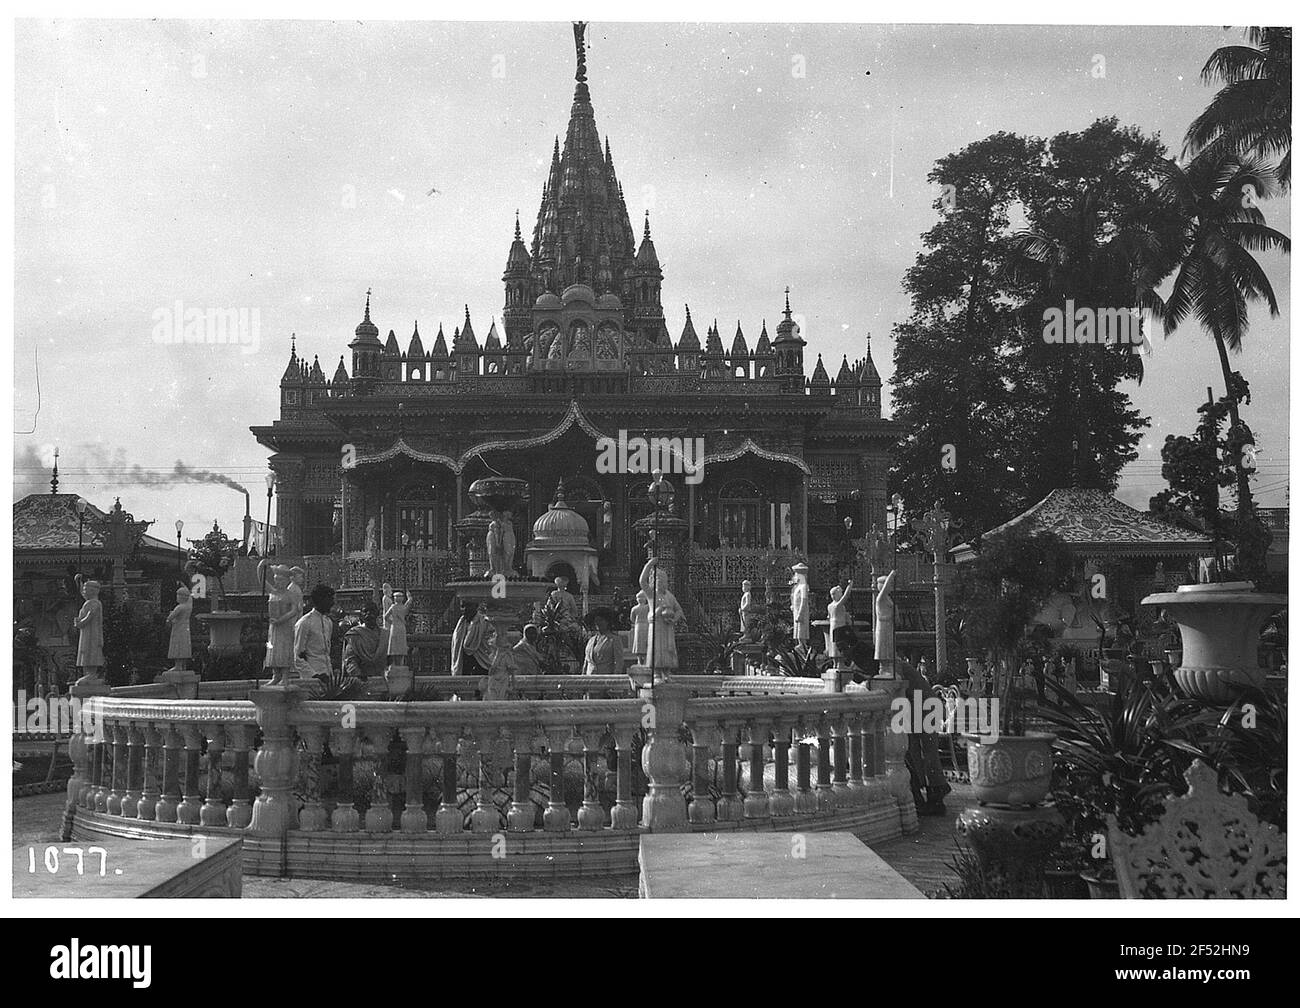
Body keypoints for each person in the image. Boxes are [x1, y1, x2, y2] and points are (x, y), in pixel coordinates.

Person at [898, 657, 951, 815]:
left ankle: (935, 796)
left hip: (924, 709)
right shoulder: (898, 664)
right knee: (918, 754)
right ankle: (930, 795)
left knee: (925, 755)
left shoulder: (895, 665)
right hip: (919, 709)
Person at [260, 561, 296, 685]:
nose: (277, 582)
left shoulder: (290, 594)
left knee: (284, 649)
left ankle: (285, 676)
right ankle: (275, 675)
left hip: (284, 626)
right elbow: (262, 581)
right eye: (276, 579)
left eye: (280, 580)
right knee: (273, 649)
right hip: (274, 626)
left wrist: (281, 620)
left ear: (286, 580)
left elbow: (294, 610)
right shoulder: (273, 592)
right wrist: (260, 567)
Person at [293, 584, 335, 682]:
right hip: (311, 679)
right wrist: (314, 675)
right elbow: (298, 657)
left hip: (329, 677)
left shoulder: (328, 622)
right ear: (321, 600)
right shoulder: (304, 623)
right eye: (330, 599)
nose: (332, 603)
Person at [73, 575, 104, 684]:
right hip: (87, 632)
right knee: (85, 651)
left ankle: (91, 674)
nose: (84, 592)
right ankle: (87, 674)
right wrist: (79, 582)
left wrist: (80, 623)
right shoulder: (89, 602)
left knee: (90, 650)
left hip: (92, 633)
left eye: (86, 590)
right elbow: (82, 593)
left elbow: (89, 616)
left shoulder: (95, 603)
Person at [342, 602, 385, 679]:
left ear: (377, 613)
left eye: (372, 611)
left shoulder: (385, 635)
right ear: (361, 615)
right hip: (361, 680)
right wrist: (357, 674)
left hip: (384, 678)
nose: (369, 614)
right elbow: (350, 659)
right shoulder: (355, 634)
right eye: (365, 611)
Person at [450, 600, 493, 676]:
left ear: (476, 606)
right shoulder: (461, 624)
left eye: (469, 605)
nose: (465, 609)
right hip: (464, 665)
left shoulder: (484, 622)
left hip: (482, 664)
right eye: (463, 606)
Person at [583, 608, 625, 675]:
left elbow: (619, 662)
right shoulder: (591, 640)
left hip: (605, 679)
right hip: (589, 679)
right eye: (596, 620)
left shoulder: (614, 640)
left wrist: (614, 679)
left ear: (607, 622)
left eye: (600, 620)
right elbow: (586, 662)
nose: (598, 623)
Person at [164, 585, 193, 671]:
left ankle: (178, 665)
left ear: (181, 597)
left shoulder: (180, 607)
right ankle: (183, 665)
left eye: (178, 595)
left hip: (178, 628)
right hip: (185, 628)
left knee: (178, 645)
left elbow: (170, 617)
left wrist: (168, 621)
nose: (177, 597)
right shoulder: (188, 607)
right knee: (184, 645)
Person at [825, 580, 854, 660]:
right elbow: (846, 595)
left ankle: (835, 662)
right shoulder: (837, 605)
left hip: (833, 625)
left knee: (834, 642)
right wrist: (850, 585)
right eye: (840, 593)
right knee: (840, 642)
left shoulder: (829, 606)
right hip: (839, 625)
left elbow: (829, 617)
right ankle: (839, 660)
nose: (841, 595)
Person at [385, 589, 414, 662]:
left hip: (394, 627)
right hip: (401, 627)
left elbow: (385, 617)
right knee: (401, 645)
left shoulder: (393, 607)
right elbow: (409, 603)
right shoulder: (403, 607)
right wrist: (409, 596)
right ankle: (400, 663)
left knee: (394, 645)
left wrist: (391, 622)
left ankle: (394, 663)